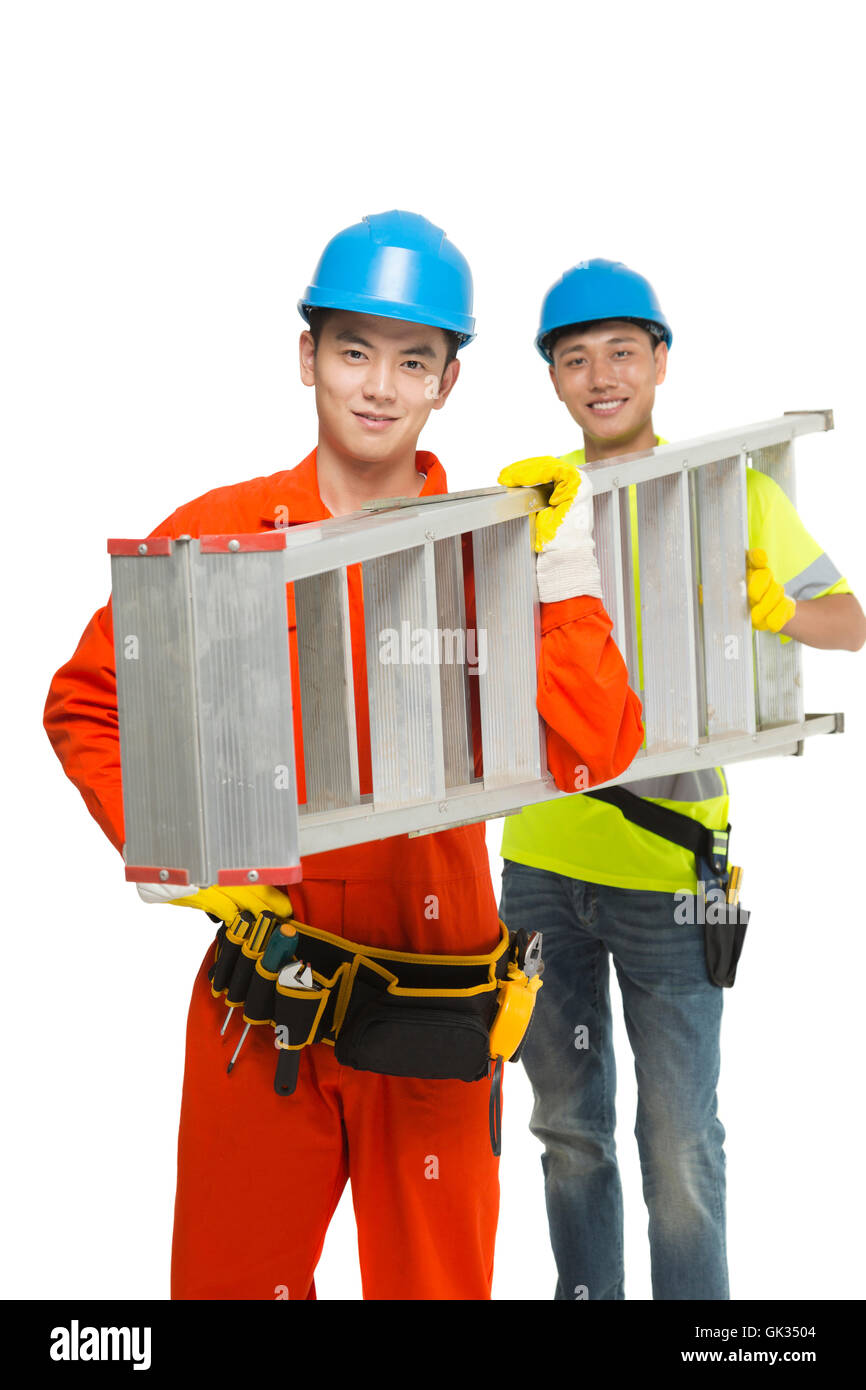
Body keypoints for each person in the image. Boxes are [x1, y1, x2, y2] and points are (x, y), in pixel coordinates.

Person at [43, 217, 643, 1301]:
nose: (378, 385)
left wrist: (563, 574)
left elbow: (593, 743)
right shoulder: (220, 537)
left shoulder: (490, 546)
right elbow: (87, 699)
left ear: (446, 382)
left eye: (412, 360)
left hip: (436, 1012)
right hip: (262, 1000)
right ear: (306, 357)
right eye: (353, 350)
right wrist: (177, 843)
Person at [498, 257, 866, 1301]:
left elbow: (848, 620)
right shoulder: (534, 505)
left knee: (677, 1142)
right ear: (554, 380)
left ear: (658, 362)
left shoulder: (731, 494)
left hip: (672, 868)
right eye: (574, 359)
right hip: (535, 868)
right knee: (567, 1133)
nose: (598, 374)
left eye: (620, 352)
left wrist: (777, 606)